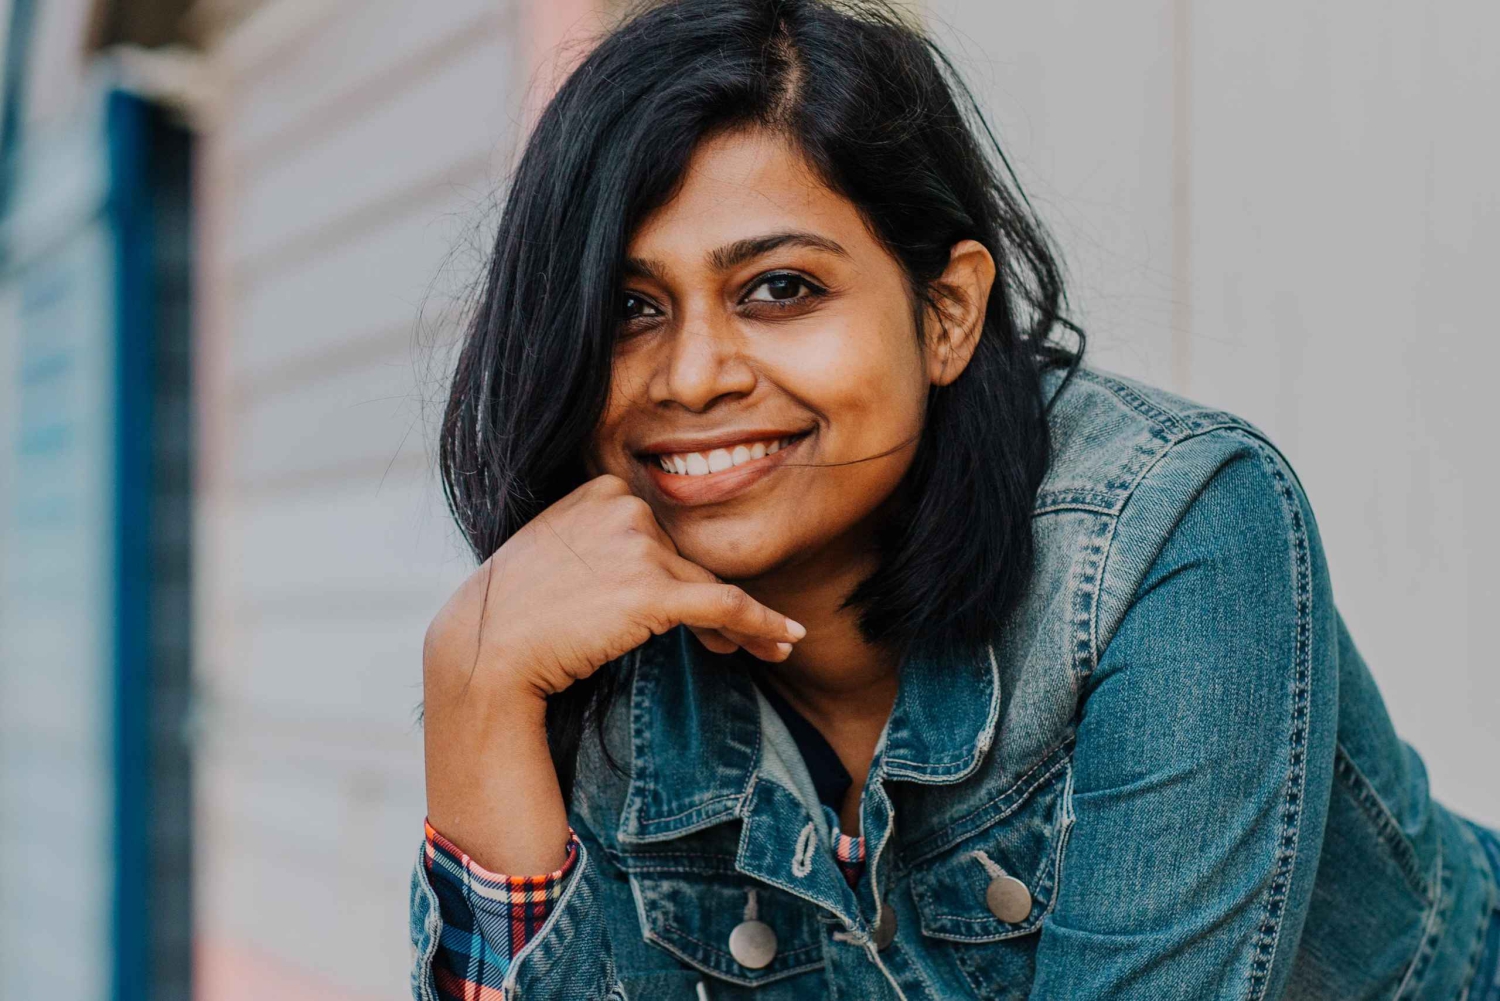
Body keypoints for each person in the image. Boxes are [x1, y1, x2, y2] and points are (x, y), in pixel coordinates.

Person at [409, 1, 1500, 998]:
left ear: (948, 313)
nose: (691, 377)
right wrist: (474, 700)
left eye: (779, 288)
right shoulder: (581, 654)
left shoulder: (1168, 537)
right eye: (630, 307)